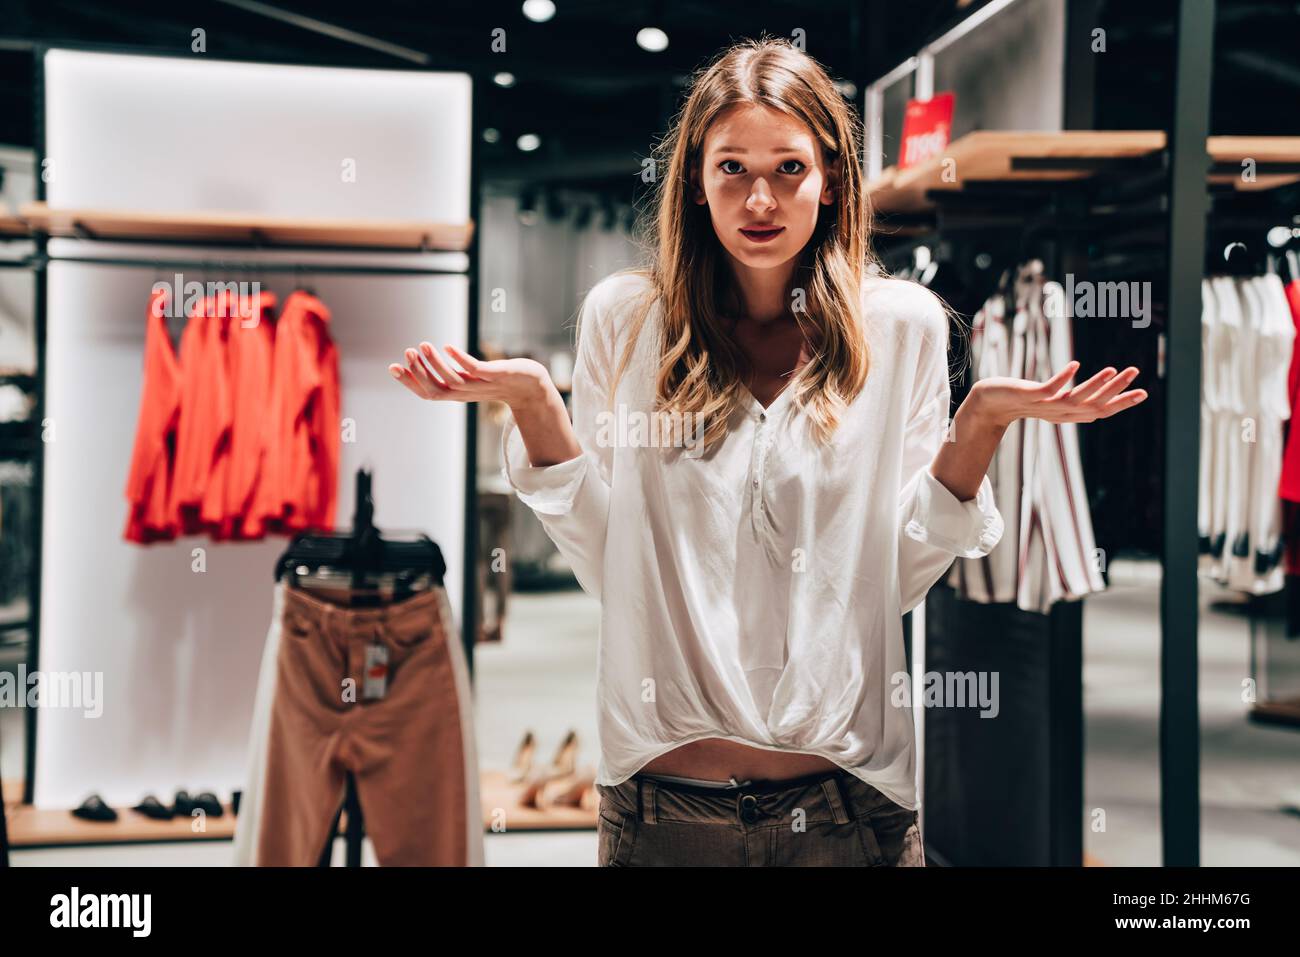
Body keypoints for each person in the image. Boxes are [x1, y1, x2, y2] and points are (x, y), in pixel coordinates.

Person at [388, 37, 1146, 867]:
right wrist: (535, 401)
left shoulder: (899, 327)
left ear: (830, 178)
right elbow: (614, 562)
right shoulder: (627, 321)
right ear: (695, 180)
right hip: (662, 816)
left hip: (846, 815)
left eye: (789, 169)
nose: (760, 198)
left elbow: (895, 573)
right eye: (732, 168)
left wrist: (983, 424)